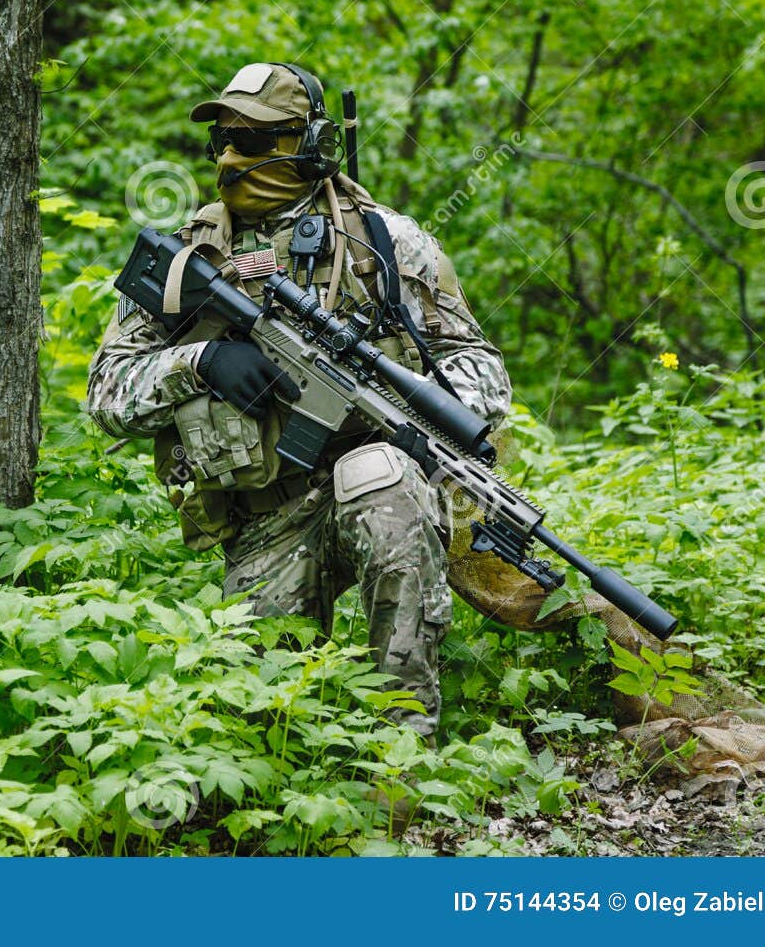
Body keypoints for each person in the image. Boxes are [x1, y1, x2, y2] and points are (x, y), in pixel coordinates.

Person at [87, 62, 511, 738]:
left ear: (307, 143)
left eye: (251, 143)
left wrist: (409, 404)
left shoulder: (385, 242)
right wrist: (200, 360)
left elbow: (482, 367)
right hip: (265, 518)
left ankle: (399, 747)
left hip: (371, 483)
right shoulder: (189, 258)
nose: (229, 158)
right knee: (257, 733)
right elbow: (106, 392)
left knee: (385, 480)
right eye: (221, 140)